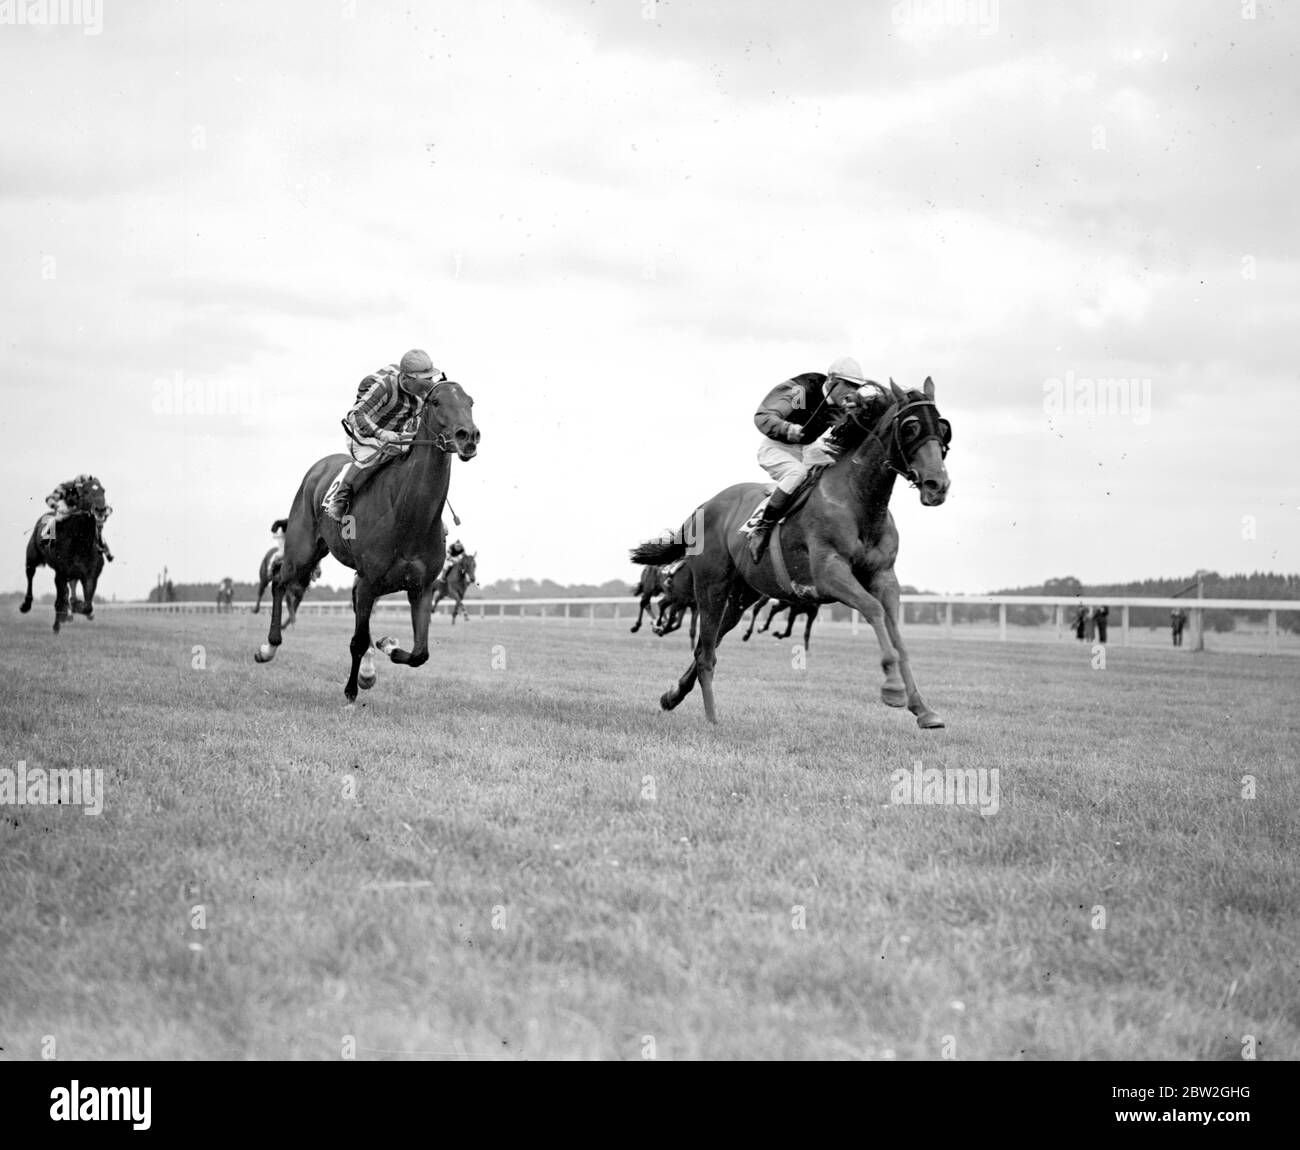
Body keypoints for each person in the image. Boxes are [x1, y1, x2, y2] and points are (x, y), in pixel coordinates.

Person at [739, 357, 887, 562]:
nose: (852, 391)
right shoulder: (801, 390)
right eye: (848, 385)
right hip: (776, 447)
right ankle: (761, 529)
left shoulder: (845, 403)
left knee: (841, 470)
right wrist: (786, 428)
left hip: (808, 447)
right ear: (833, 380)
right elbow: (763, 415)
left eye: (856, 387)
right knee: (796, 473)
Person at [323, 349, 447, 521]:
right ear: (408, 378)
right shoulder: (385, 386)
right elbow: (355, 415)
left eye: (430, 378)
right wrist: (381, 433)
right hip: (364, 437)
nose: (429, 384)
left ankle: (430, 518)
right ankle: (341, 497)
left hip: (395, 438)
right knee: (376, 457)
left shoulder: (423, 394)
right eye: (425, 380)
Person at [41, 474, 114, 561]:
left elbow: (102, 505)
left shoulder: (93, 489)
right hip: (69, 506)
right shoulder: (67, 486)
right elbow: (51, 497)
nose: (82, 491)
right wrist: (54, 504)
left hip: (83, 509)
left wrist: (104, 511)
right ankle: (48, 536)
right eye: (80, 488)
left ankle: (103, 547)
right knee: (59, 517)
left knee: (96, 529)